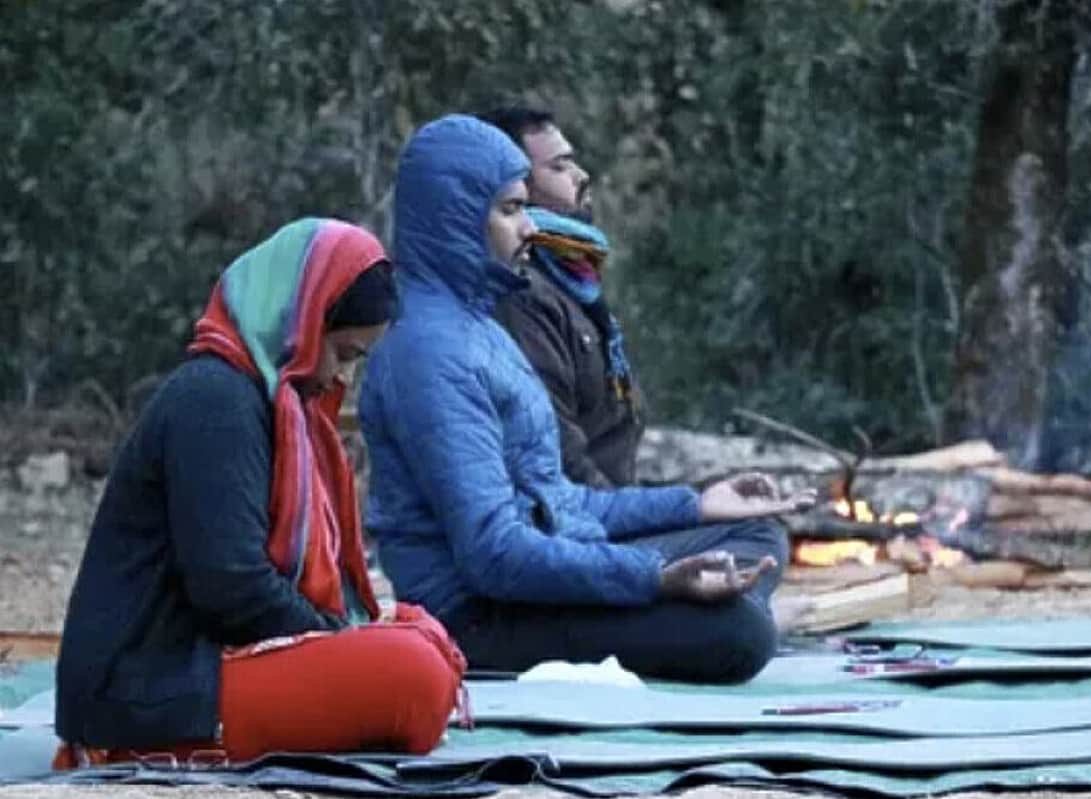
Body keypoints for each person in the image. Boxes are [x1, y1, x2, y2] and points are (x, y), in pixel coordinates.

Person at [360, 115, 808, 685]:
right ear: (457, 218)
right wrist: (652, 577)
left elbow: (566, 504)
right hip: (478, 620)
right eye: (509, 210)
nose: (529, 229)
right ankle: (735, 612)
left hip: (542, 571)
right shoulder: (430, 355)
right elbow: (494, 556)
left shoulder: (481, 330)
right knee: (740, 635)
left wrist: (695, 505)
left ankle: (726, 600)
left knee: (754, 533)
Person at [54, 218, 465, 768]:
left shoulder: (271, 405)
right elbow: (231, 586)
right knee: (413, 676)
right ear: (302, 322)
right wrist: (333, 641)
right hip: (149, 689)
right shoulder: (215, 401)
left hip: (200, 666)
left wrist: (343, 638)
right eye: (341, 352)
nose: (338, 378)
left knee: (419, 633)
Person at [479, 106, 640, 488]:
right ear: (515, 185)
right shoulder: (521, 294)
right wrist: (643, 522)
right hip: (586, 525)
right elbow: (558, 454)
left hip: (608, 513)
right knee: (756, 534)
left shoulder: (571, 285)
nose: (581, 177)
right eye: (559, 167)